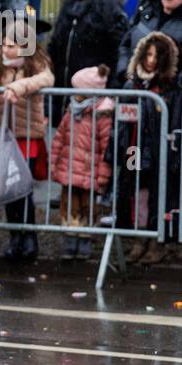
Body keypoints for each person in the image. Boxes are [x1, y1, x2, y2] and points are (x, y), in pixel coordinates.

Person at [0, 16, 54, 261]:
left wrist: (19, 87)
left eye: (11, 45)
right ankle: (14, 237)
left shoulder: (36, 61)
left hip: (27, 134)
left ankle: (29, 236)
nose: (6, 49)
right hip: (4, 133)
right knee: (7, 186)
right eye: (4, 44)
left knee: (22, 188)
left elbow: (46, 79)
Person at [112, 31, 182, 264]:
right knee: (137, 191)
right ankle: (140, 237)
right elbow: (121, 121)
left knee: (159, 193)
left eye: (157, 56)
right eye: (149, 54)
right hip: (135, 147)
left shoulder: (170, 89)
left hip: (158, 148)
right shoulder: (131, 84)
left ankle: (157, 240)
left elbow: (173, 122)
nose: (151, 60)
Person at [50, 64, 114, 261]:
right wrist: (53, 161)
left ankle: (84, 243)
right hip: (69, 169)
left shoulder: (102, 116)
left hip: (89, 172)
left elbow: (106, 149)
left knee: (88, 207)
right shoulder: (72, 111)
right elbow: (59, 137)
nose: (74, 93)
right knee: (69, 206)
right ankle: (70, 243)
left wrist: (104, 173)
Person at [49, 0, 129, 108]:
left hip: (92, 90)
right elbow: (55, 46)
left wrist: (110, 86)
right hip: (64, 89)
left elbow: (118, 51)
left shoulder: (110, 13)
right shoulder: (68, 11)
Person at [117, 0, 182, 81]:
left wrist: (176, 84)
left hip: (168, 92)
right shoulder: (145, 13)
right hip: (134, 87)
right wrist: (125, 71)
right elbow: (125, 45)